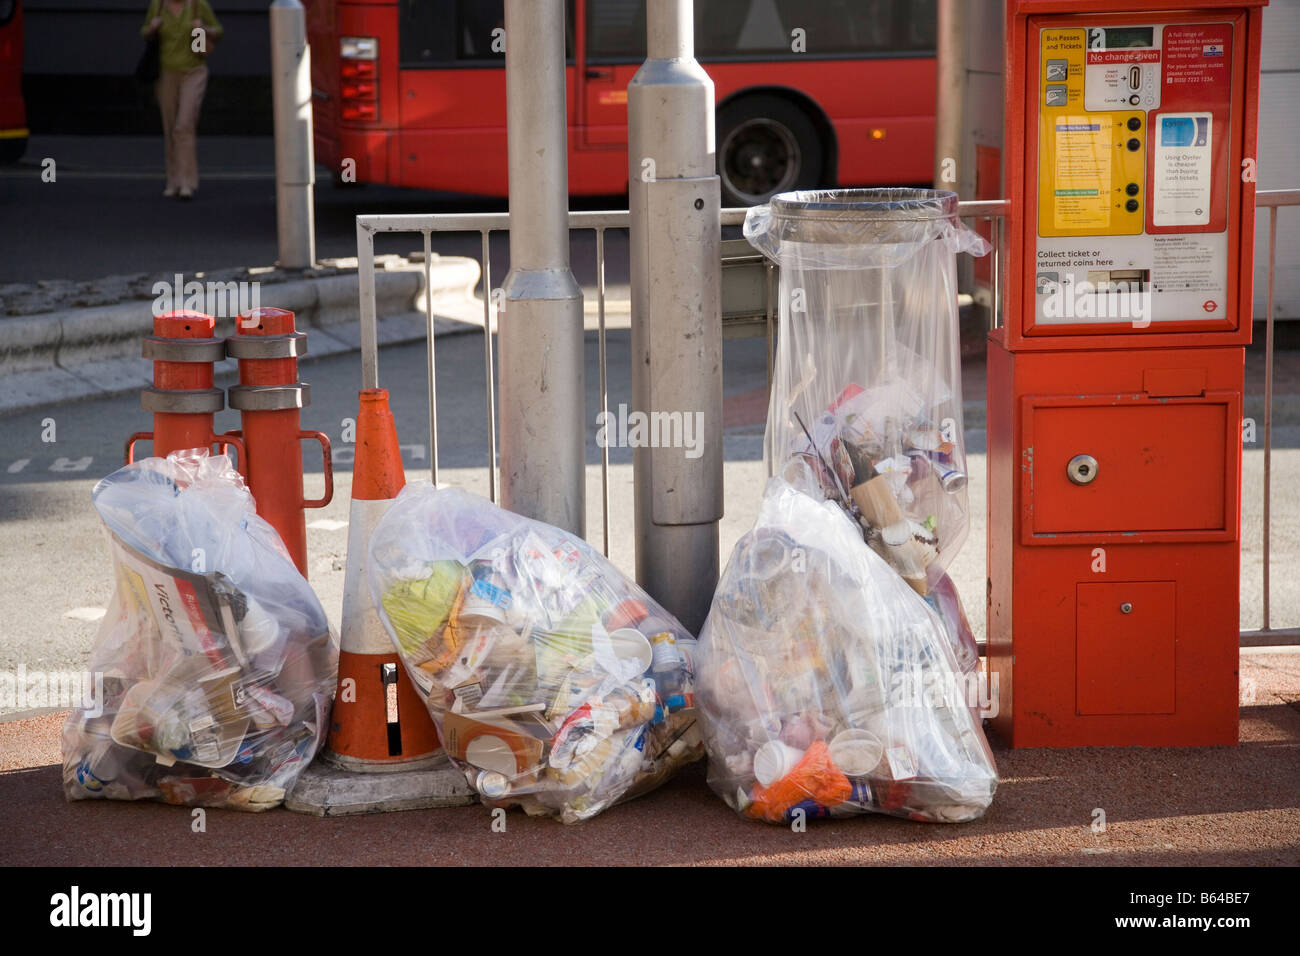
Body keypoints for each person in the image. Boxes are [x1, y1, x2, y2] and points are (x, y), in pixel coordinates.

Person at [141, 0, 223, 200]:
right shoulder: (158, 5)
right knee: (170, 127)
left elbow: (218, 31)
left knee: (184, 124)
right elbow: (145, 32)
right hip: (166, 74)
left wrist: (203, 28)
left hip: (193, 71)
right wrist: (152, 28)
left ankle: (187, 182)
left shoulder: (197, 5)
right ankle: (173, 181)